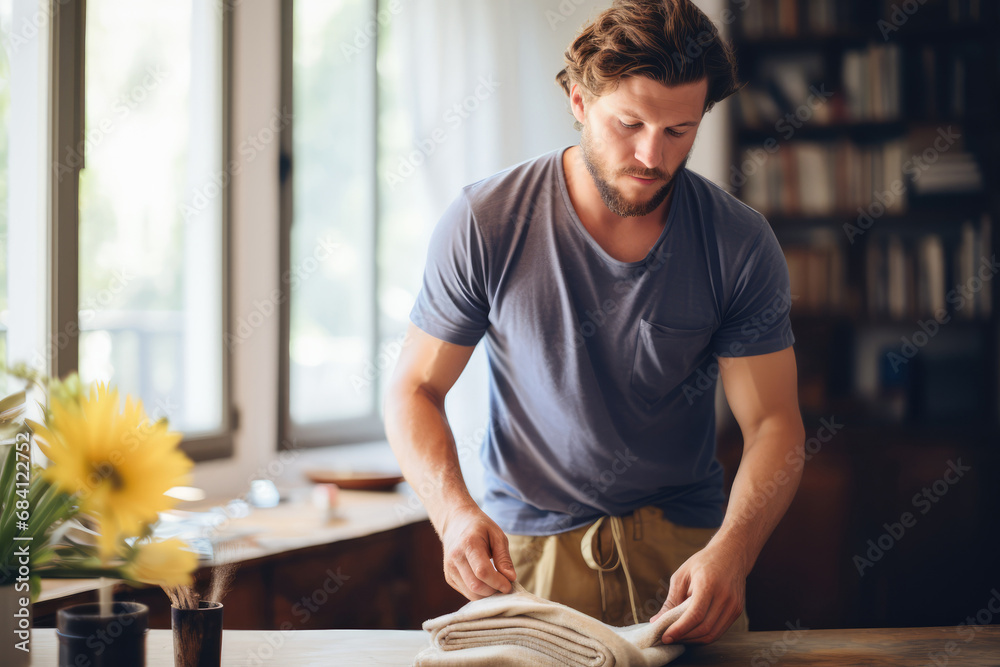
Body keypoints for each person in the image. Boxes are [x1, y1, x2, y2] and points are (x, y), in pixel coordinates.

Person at [385, 0, 805, 646]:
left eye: (678, 131)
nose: (650, 155)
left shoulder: (738, 242)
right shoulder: (485, 221)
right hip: (524, 557)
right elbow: (414, 388)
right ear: (579, 102)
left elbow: (774, 422)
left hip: (687, 556)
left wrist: (735, 551)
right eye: (628, 123)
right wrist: (453, 513)